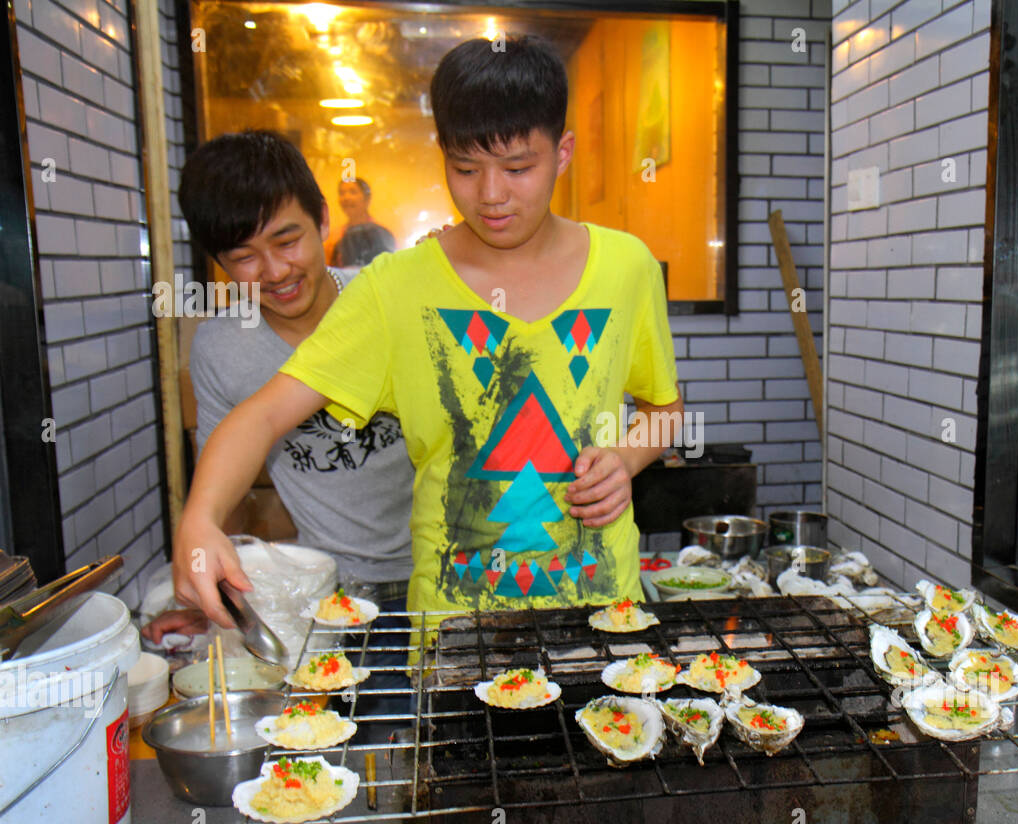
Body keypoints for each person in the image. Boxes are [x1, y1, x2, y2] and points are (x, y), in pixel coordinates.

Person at [173, 36, 683, 653]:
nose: (491, 194)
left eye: (518, 167)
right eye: (465, 169)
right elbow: (261, 416)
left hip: (603, 615)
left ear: (563, 151)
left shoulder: (626, 267)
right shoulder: (396, 288)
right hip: (453, 631)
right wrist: (199, 520)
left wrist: (627, 459)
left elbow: (665, 411)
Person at [180, 131, 415, 601]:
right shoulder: (221, 347)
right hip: (330, 586)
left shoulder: (388, 300)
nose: (275, 271)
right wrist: (207, 569)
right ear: (218, 263)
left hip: (447, 567)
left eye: (287, 241)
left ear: (323, 219)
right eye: (243, 257)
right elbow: (224, 485)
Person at [331, 178, 396, 267]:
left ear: (367, 198)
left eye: (353, 192)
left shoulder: (382, 233)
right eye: (342, 193)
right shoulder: (335, 236)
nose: (346, 198)